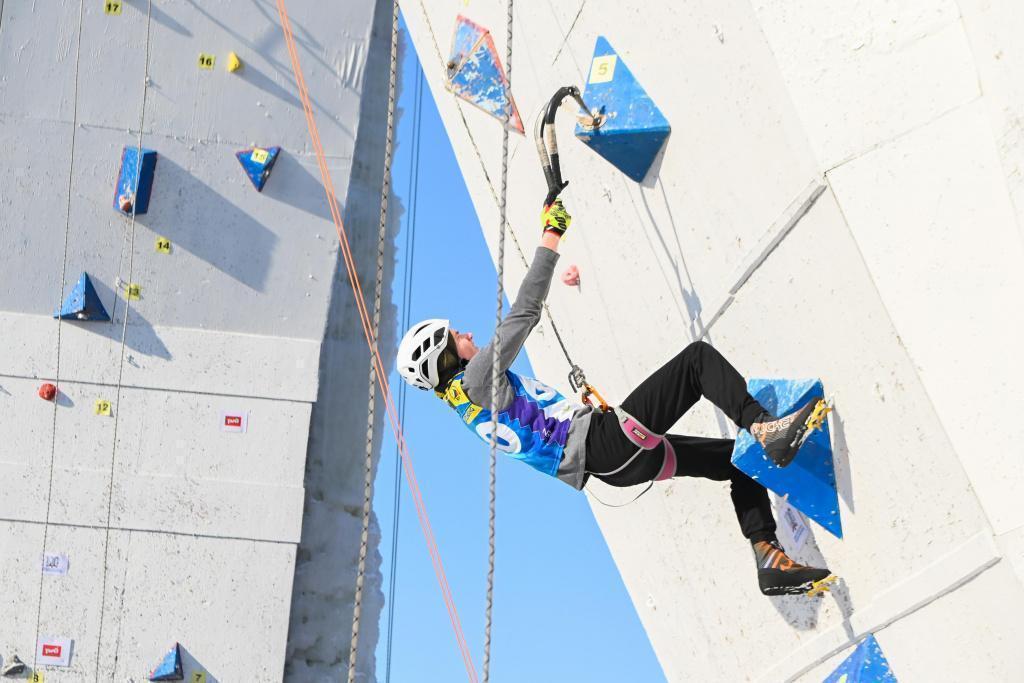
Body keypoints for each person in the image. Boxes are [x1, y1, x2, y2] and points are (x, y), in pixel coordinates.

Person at [396, 200, 832, 596]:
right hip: (606, 443)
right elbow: (525, 311)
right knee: (697, 361)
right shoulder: (476, 379)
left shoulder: (466, 405)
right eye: (457, 335)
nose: (468, 333)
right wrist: (551, 234)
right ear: (446, 355)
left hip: (612, 468)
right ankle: (765, 427)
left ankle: (767, 556)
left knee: (738, 462)